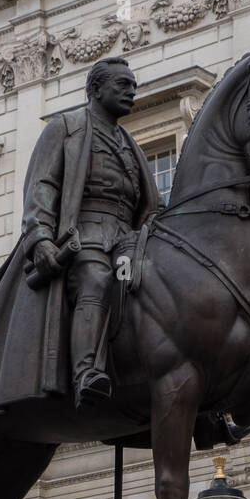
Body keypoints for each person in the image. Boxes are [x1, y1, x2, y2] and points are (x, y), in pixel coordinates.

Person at [22, 56, 159, 408]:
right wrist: (40, 238)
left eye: (133, 84)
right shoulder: (66, 127)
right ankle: (87, 373)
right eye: (123, 85)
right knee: (97, 279)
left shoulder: (130, 145)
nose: (132, 90)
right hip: (85, 235)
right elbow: (42, 186)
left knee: (173, 286)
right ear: (96, 89)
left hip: (129, 238)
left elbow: (148, 203)